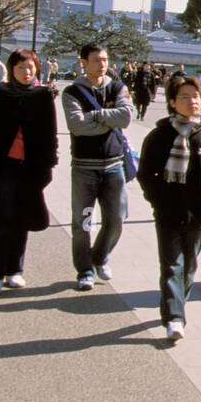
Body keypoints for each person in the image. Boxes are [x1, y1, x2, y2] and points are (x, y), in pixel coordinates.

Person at [138, 76, 201, 342]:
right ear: (173, 102)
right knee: (172, 264)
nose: (192, 102)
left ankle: (176, 302)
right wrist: (157, 199)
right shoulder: (160, 135)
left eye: (196, 96)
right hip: (168, 211)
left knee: (189, 265)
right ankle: (175, 317)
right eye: (185, 97)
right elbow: (146, 173)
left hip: (199, 213)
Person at [0, 49, 58, 294]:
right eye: (21, 67)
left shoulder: (43, 95)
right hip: (1, 165)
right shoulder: (1, 93)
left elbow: (50, 133)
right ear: (11, 69)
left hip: (31, 166)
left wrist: (49, 165)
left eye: (31, 66)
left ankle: (15, 270)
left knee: (21, 219)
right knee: (3, 218)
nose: (27, 71)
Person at [62, 43, 133, 291]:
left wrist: (95, 115)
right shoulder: (72, 92)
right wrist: (108, 118)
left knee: (116, 218)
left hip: (114, 166)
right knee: (82, 222)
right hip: (84, 167)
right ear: (83, 62)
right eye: (95, 60)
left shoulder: (117, 86)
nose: (102, 65)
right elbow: (77, 126)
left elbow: (125, 117)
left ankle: (100, 256)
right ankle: (84, 270)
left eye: (104, 59)